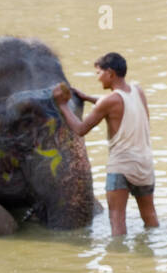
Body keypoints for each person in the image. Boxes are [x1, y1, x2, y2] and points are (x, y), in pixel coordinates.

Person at [53, 52, 158, 236]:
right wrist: (87, 97)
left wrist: (62, 105)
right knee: (150, 216)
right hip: (145, 164)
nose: (98, 77)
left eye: (98, 72)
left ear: (110, 73)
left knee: (117, 219)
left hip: (121, 166)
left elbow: (80, 129)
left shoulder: (109, 102)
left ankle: (119, 260)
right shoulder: (137, 90)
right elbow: (116, 105)